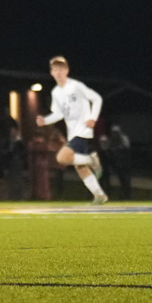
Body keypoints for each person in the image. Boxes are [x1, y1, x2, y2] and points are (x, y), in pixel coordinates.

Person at [34, 56, 107, 204]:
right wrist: (45, 121)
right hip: (73, 133)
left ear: (67, 71)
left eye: (61, 69)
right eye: (55, 70)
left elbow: (97, 98)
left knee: (61, 158)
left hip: (83, 131)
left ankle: (92, 160)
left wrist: (93, 117)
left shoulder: (76, 86)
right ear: (52, 73)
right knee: (80, 167)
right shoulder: (56, 92)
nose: (58, 72)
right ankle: (99, 195)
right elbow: (59, 114)